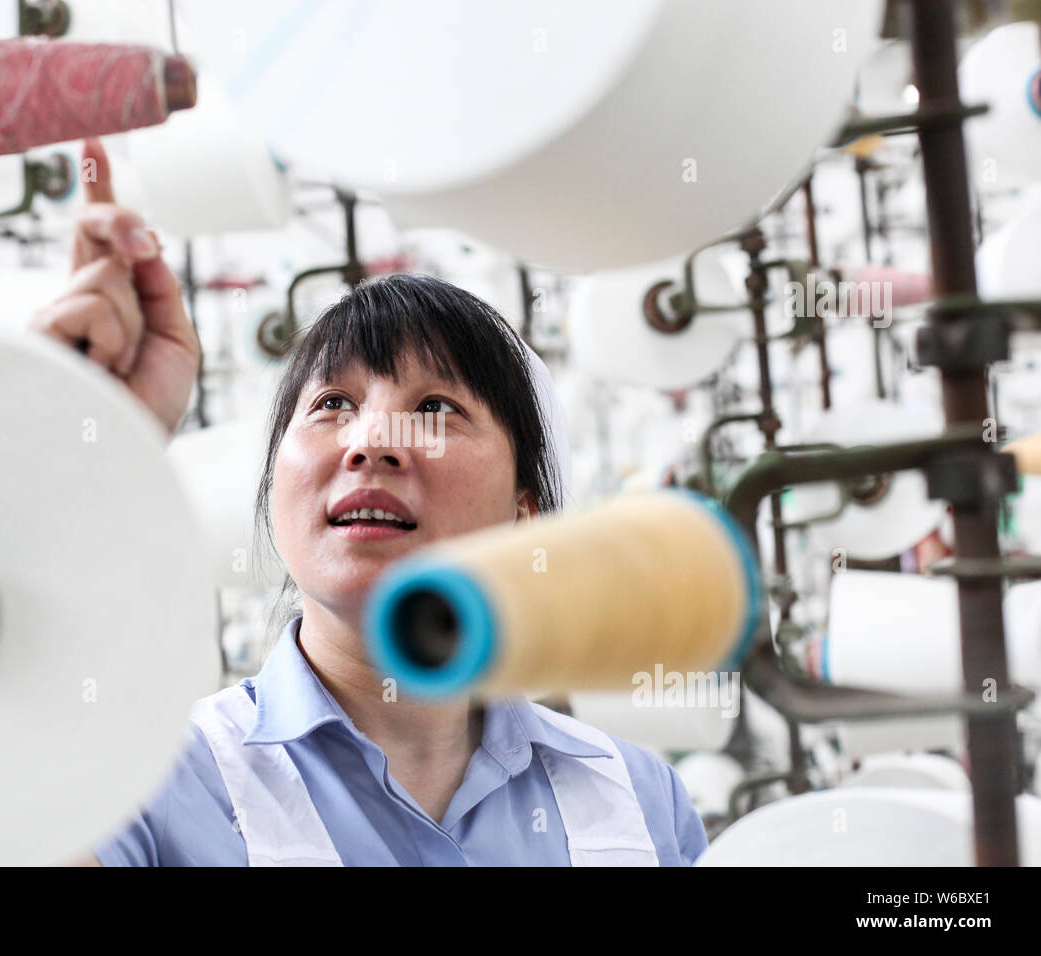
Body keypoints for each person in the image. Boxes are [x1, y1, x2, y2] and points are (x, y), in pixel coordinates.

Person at [35, 139, 708, 866]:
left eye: (437, 408)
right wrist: (75, 457)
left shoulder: (638, 804)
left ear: (526, 513)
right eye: (331, 403)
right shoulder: (158, 790)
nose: (372, 443)